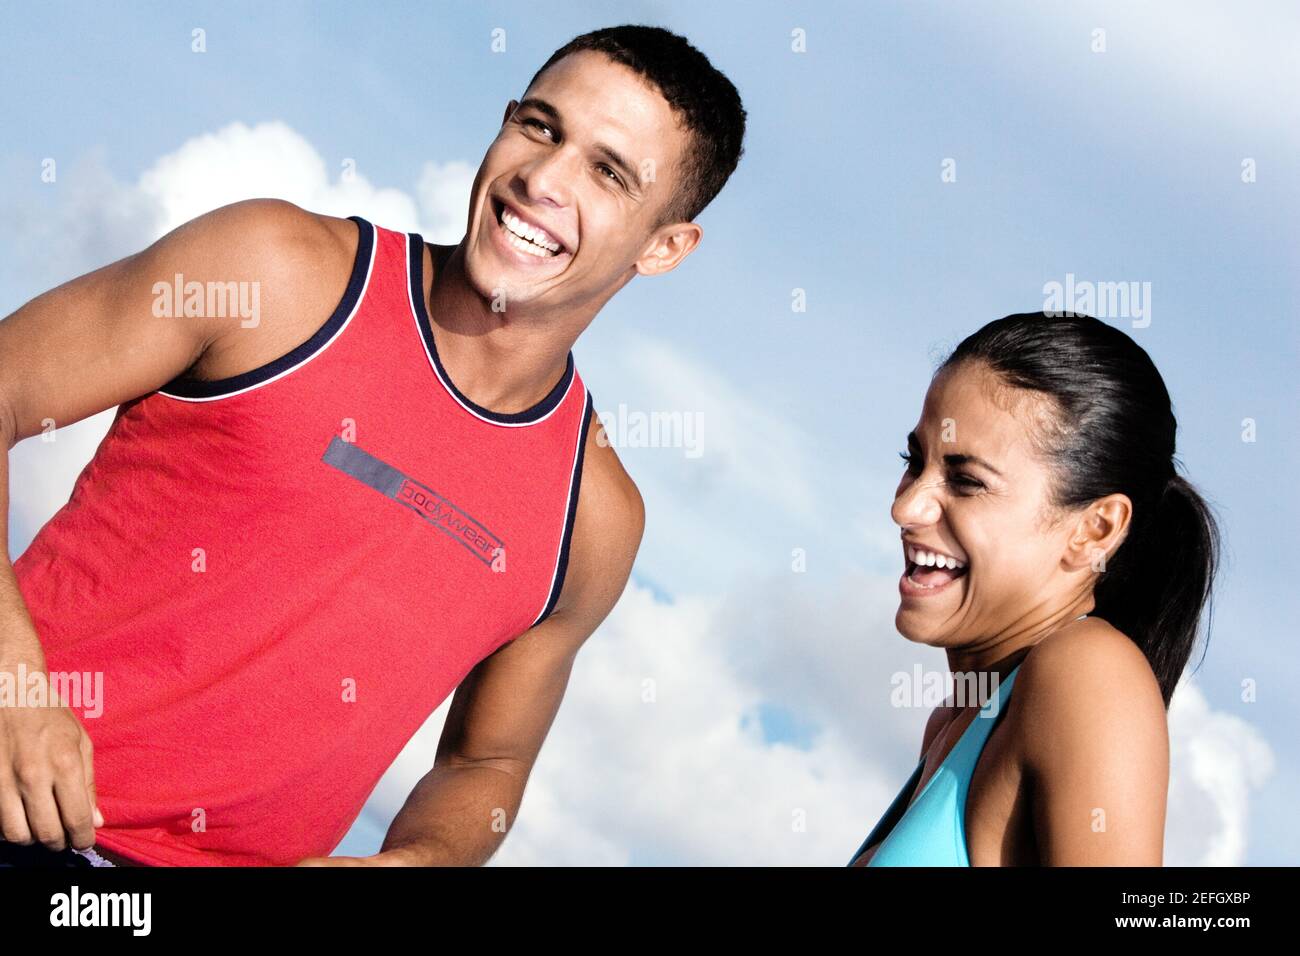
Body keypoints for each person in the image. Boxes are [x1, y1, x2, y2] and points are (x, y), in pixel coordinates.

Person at [0, 24, 746, 866]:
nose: (543, 180)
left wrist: (423, 860)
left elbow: (485, 762)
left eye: (607, 173)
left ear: (665, 246)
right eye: (539, 126)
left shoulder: (595, 518)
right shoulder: (275, 271)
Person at [848, 312, 1221, 866]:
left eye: (967, 480)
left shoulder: (1087, 673)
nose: (905, 507)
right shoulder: (956, 720)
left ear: (1094, 529)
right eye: (915, 462)